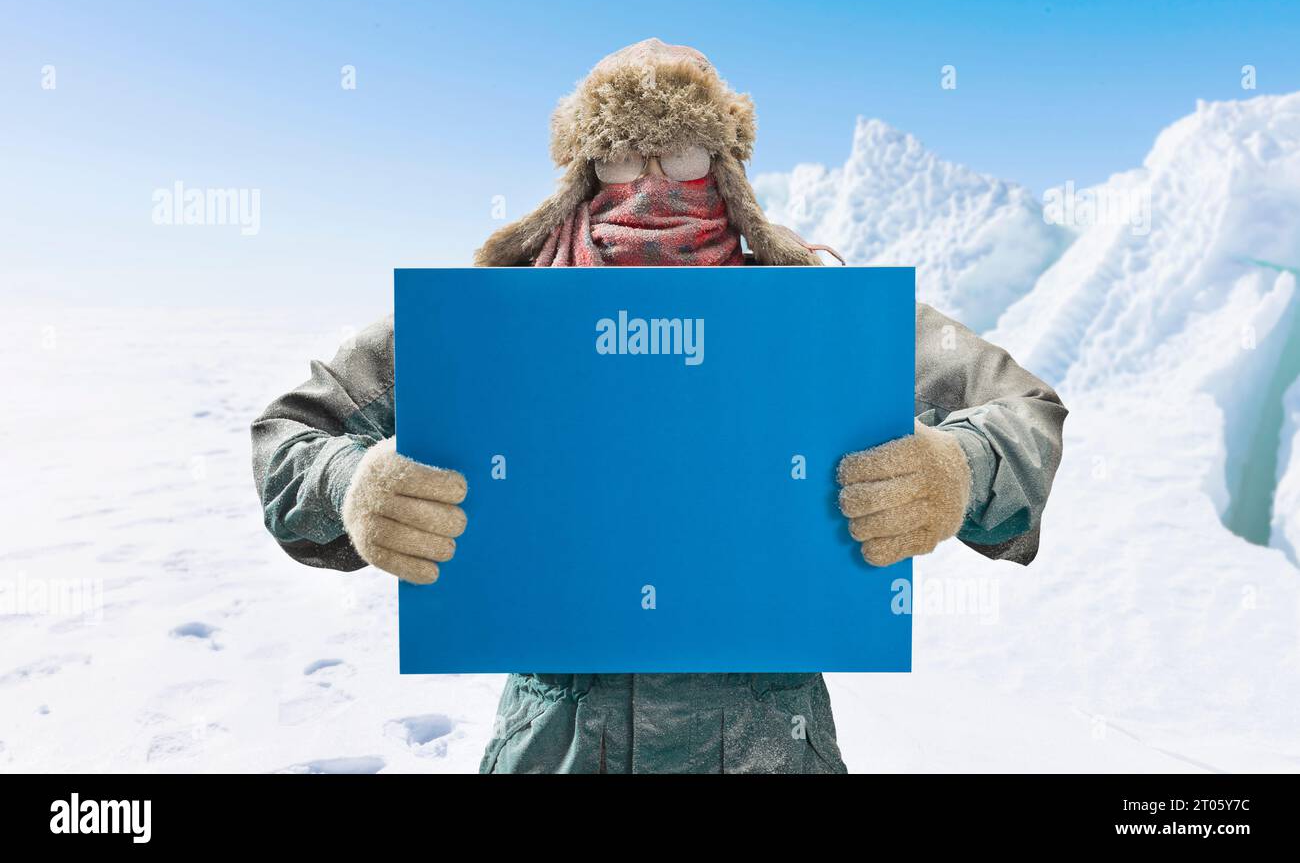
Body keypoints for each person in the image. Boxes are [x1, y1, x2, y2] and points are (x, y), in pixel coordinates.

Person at [251, 39, 1067, 773]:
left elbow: (1022, 409)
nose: (647, 186)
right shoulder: (490, 320)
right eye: (618, 158)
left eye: (678, 154)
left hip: (771, 749)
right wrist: (351, 484)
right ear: (581, 174)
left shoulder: (820, 318)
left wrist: (955, 468)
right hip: (557, 748)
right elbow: (290, 431)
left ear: (724, 171)